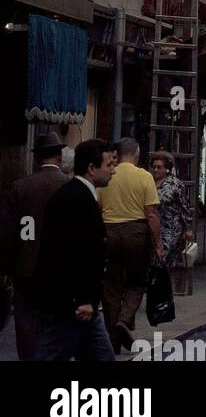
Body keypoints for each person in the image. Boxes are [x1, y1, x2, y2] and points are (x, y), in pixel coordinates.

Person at [32, 139, 117, 362]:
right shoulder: (76, 199)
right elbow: (72, 254)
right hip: (71, 304)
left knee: (101, 356)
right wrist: (82, 299)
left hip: (78, 302)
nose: (113, 171)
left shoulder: (79, 195)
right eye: (109, 165)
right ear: (91, 168)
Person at [0, 132, 69, 359]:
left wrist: (8, 268)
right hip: (59, 270)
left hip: (26, 268)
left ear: (37, 158)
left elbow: (8, 232)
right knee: (57, 323)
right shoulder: (69, 186)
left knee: (27, 324)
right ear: (59, 156)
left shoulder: (20, 187)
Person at [100, 137, 161, 353]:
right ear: (136, 154)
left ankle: (113, 340)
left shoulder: (108, 175)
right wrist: (158, 244)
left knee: (111, 287)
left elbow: (97, 208)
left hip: (109, 232)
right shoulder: (144, 176)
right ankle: (123, 322)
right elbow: (151, 214)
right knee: (136, 282)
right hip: (136, 233)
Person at [150, 151, 195, 272]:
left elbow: (184, 207)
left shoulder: (175, 184)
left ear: (167, 169)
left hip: (170, 229)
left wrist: (188, 228)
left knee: (162, 260)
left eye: (159, 167)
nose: (155, 170)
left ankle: (160, 286)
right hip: (153, 228)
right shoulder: (149, 182)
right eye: (154, 167)